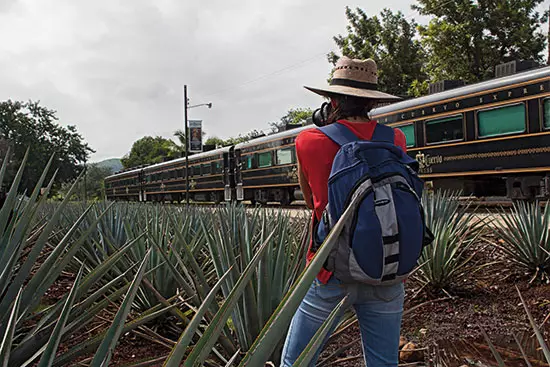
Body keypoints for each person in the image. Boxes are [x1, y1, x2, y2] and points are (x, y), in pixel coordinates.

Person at [280, 56, 408, 367]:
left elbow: (312, 203)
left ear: (332, 100)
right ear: (371, 102)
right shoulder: (396, 138)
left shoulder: (308, 140)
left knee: (296, 362)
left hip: (330, 271)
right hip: (385, 268)